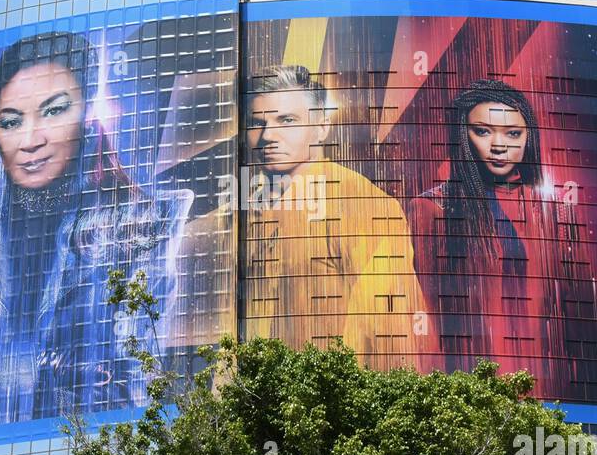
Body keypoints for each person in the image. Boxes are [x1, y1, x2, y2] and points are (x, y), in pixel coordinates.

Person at [0, 31, 189, 436]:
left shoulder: (143, 221)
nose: (30, 140)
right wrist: (39, 365)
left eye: (54, 111)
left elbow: (132, 390)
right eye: (11, 121)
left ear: (85, 114)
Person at [178, 64, 428, 369]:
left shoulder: (361, 203)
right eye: (258, 123)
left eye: (286, 120)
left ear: (321, 127)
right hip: (255, 404)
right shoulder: (237, 213)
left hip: (334, 402)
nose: (268, 136)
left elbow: (388, 329)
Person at [407, 78, 597, 398]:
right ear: (462, 135)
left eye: (513, 133)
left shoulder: (552, 211)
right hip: (467, 391)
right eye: (484, 131)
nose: (499, 145)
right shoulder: (432, 208)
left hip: (544, 391)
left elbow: (581, 313)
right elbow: (429, 312)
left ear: (529, 137)